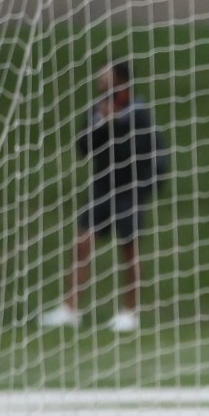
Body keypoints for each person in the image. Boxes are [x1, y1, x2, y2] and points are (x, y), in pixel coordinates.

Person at [40, 60, 159, 332]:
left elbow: (144, 149)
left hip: (129, 188)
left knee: (129, 248)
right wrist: (103, 124)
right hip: (103, 185)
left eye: (105, 75)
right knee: (82, 242)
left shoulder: (138, 111)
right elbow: (84, 146)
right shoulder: (98, 109)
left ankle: (130, 312)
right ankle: (70, 308)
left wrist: (118, 124)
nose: (100, 79)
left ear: (119, 79)